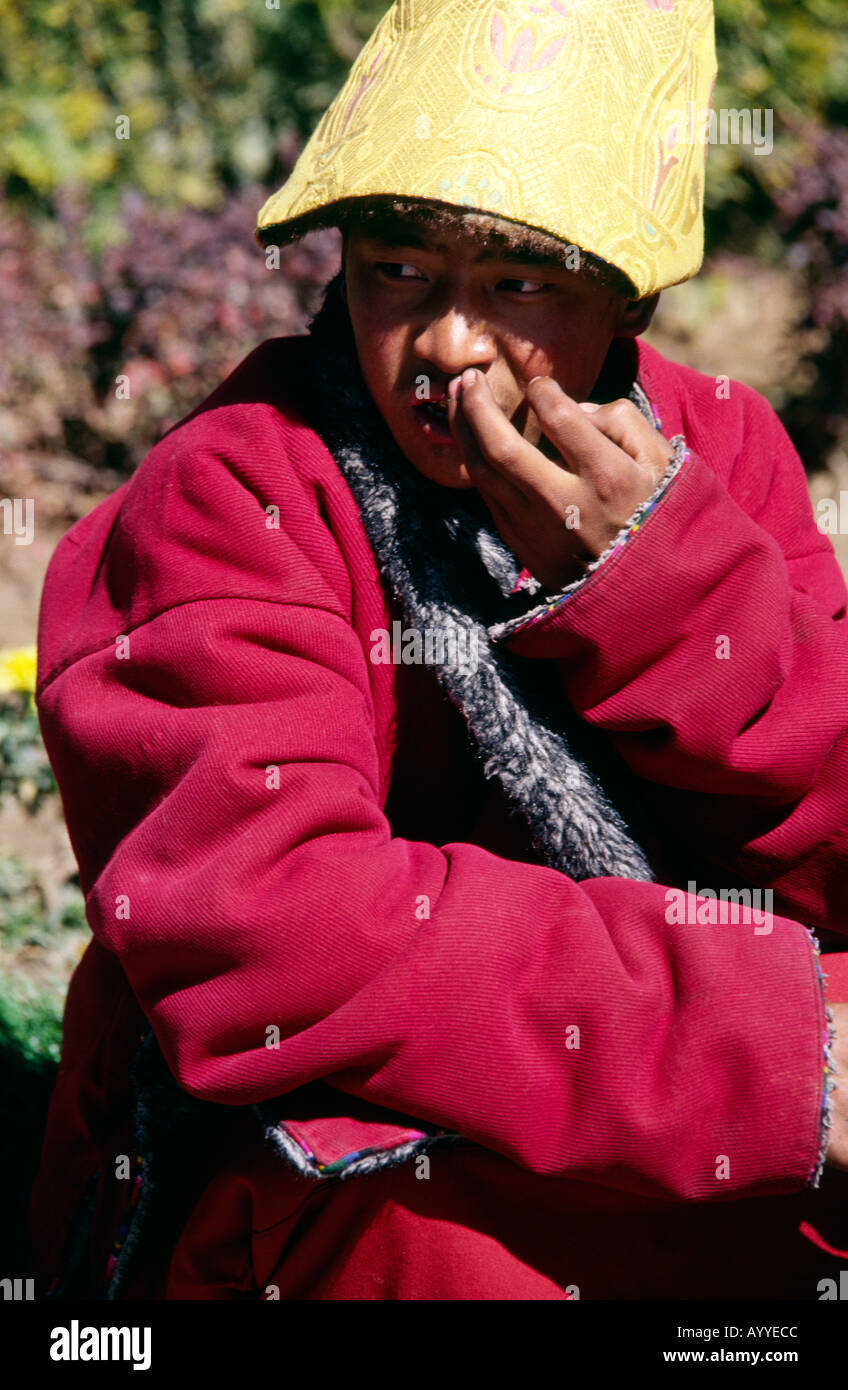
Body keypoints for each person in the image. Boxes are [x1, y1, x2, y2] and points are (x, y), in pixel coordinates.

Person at [28, 0, 848, 1301]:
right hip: (333, 1177)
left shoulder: (722, 456)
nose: (449, 344)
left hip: (662, 1121)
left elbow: (829, 848)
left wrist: (663, 589)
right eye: (397, 269)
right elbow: (283, 929)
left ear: (626, 294)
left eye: (521, 283)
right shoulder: (240, 491)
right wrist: (769, 1048)